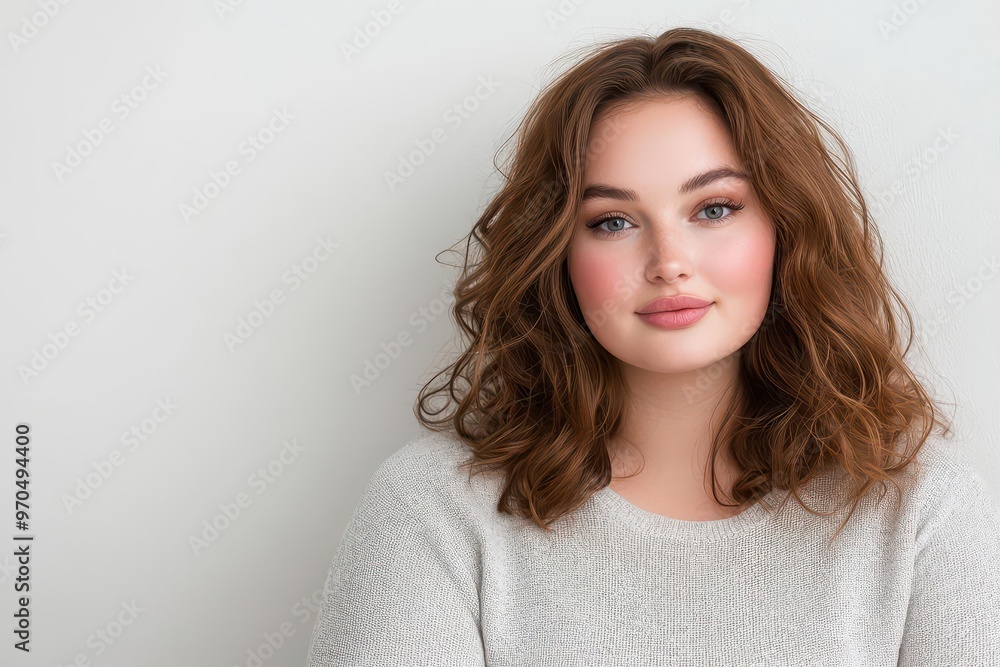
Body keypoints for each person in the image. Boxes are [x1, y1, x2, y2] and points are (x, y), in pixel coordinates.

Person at [307, 26, 1000, 666]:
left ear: (786, 228)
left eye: (714, 209)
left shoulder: (921, 509)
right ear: (557, 255)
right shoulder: (434, 508)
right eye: (612, 221)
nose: (668, 261)